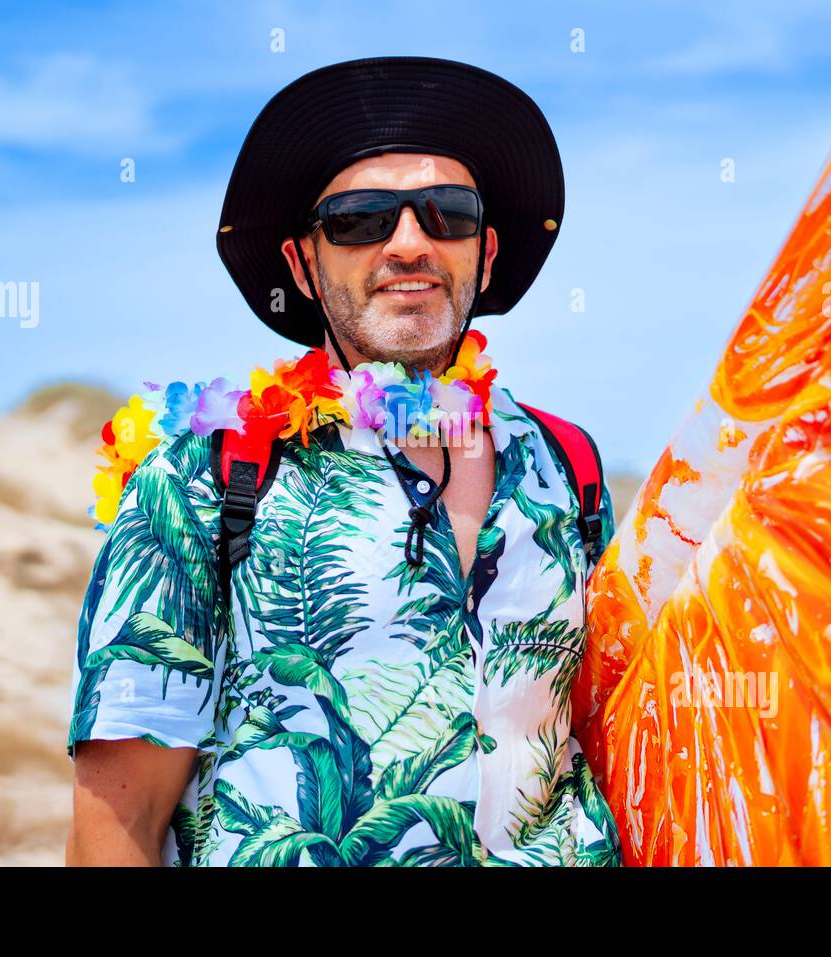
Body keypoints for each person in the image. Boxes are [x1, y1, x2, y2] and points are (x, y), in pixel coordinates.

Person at [65, 56, 621, 866]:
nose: (408, 243)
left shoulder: (564, 464)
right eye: (360, 219)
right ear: (302, 264)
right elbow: (119, 827)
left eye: (447, 214)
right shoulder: (206, 474)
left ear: (487, 253)